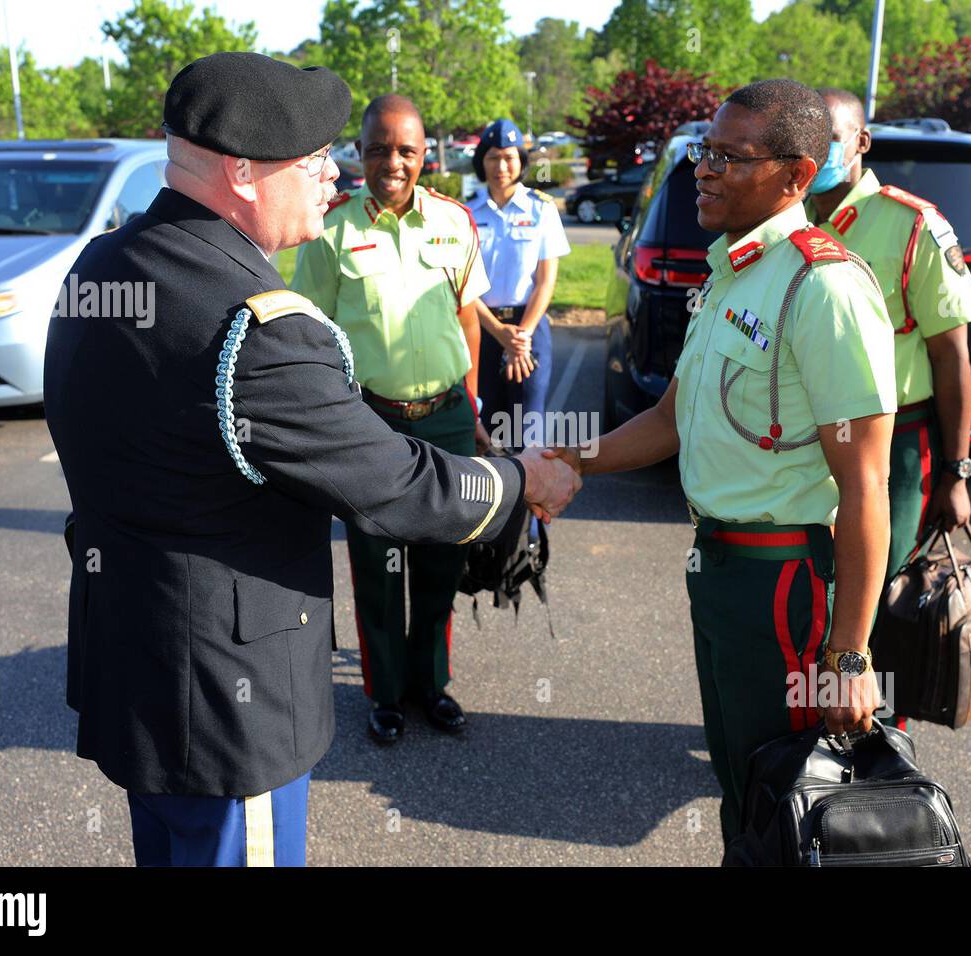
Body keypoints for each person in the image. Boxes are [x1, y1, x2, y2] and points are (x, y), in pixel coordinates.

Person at [43, 52, 579, 867]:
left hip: (133, 669)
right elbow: (393, 484)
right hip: (229, 709)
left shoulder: (102, 266)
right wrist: (517, 482)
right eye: (313, 160)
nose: (334, 175)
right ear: (246, 172)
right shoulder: (256, 325)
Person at [546, 79, 897, 848]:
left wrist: (848, 655)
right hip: (720, 571)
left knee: (790, 804)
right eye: (706, 152)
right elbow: (671, 419)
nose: (704, 170)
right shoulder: (733, 271)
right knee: (744, 790)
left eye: (730, 157)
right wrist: (569, 459)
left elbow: (866, 483)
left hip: (784, 587)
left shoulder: (824, 285)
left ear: (797, 175)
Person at [291, 94, 496, 746]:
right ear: (360, 153)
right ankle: (383, 693)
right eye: (379, 148)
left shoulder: (455, 222)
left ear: (425, 154)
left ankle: (428, 684)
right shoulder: (332, 231)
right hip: (371, 424)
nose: (392, 162)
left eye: (406, 149)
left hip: (447, 420)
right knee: (379, 569)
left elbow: (468, 318)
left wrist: (473, 406)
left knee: (442, 562)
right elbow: (312, 335)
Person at [806, 89, 971, 734]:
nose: (821, 150)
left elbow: (952, 357)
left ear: (862, 143)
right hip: (801, 435)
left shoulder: (912, 224)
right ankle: (810, 719)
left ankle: (880, 736)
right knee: (812, 584)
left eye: (835, 137)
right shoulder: (784, 218)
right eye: (808, 136)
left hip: (894, 441)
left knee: (878, 588)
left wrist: (956, 473)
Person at [467, 118, 571, 480]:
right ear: (482, 161)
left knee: (528, 432)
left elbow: (545, 281)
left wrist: (520, 338)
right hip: (482, 330)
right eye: (493, 157)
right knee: (486, 430)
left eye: (510, 157)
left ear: (522, 161)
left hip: (530, 332)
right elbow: (464, 284)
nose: (501, 166)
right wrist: (500, 334)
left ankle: (530, 528)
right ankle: (490, 528)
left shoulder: (541, 209)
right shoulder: (465, 214)